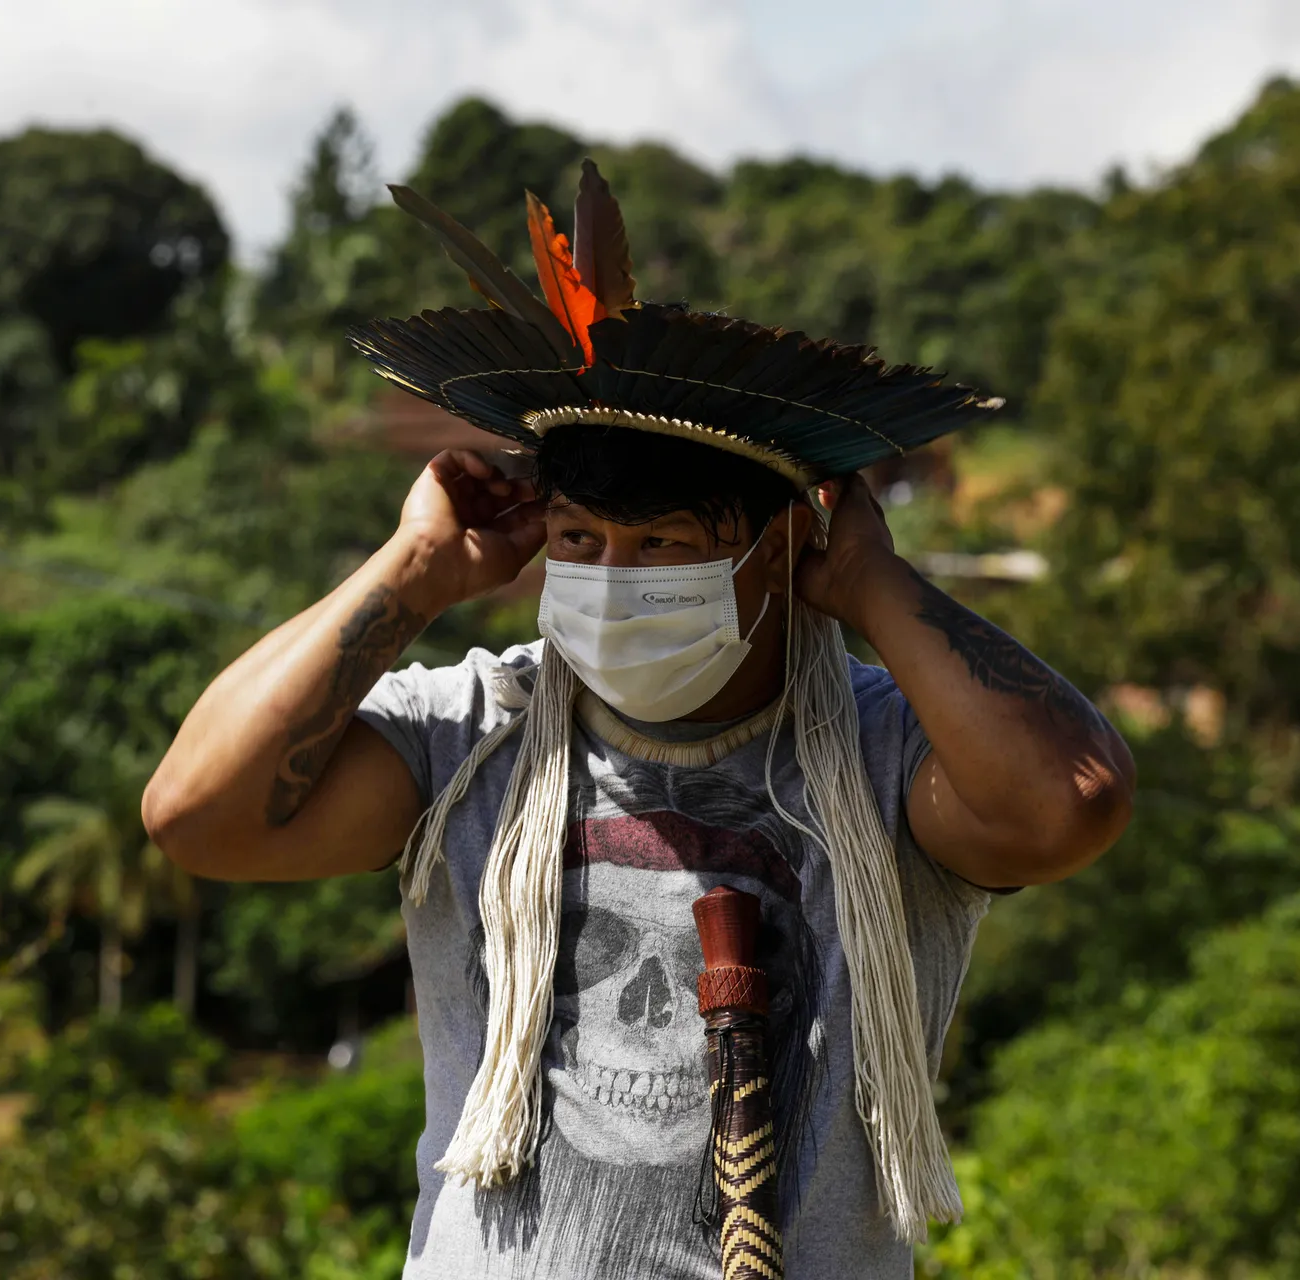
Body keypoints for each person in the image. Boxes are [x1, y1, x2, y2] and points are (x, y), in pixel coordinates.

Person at [143, 168, 1135, 1279]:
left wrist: (870, 579)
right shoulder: (474, 732)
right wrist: (416, 569)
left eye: (661, 544)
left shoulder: (888, 755)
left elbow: (1070, 801)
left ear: (777, 549)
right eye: (578, 541)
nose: (612, 580)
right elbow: (199, 813)